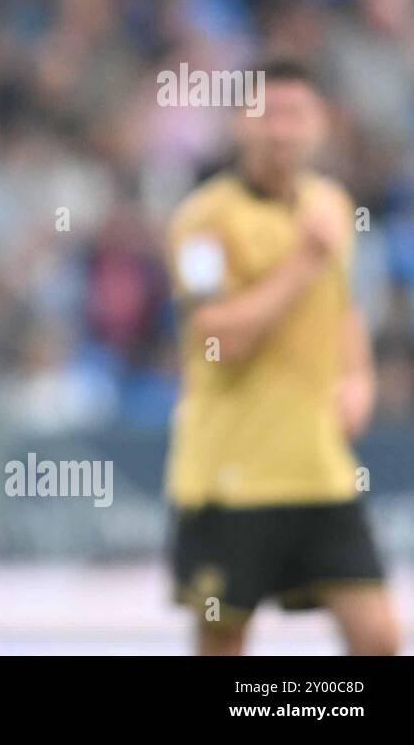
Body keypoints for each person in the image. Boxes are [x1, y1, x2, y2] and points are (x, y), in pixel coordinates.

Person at [165, 59, 399, 656]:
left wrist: (360, 378)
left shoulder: (331, 204)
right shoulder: (202, 221)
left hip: (318, 466)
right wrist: (301, 264)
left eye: (295, 113)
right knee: (224, 640)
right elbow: (217, 339)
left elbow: (342, 308)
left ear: (319, 124)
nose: (281, 129)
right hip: (229, 475)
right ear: (240, 122)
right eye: (266, 113)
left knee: (378, 637)